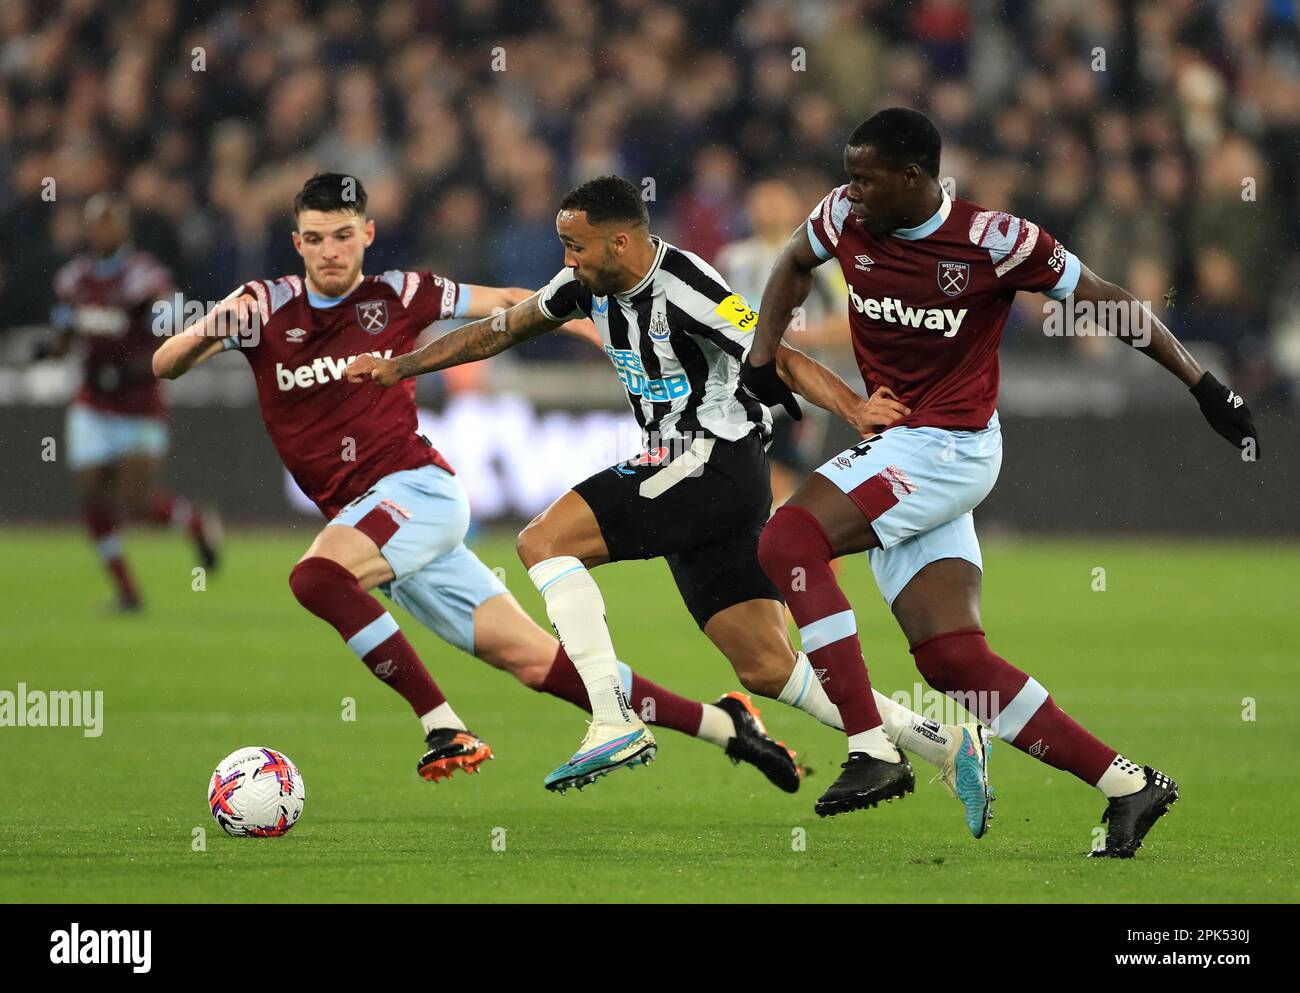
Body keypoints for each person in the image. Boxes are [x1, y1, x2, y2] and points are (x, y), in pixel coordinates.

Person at [347, 175, 996, 838]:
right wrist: (403, 367)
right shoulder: (584, 286)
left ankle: (612, 718)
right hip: (694, 475)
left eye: (576, 245)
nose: (568, 259)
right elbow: (500, 329)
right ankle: (943, 742)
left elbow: (781, 357)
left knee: (543, 542)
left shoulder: (687, 286)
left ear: (620, 241)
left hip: (710, 458)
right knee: (767, 666)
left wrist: (854, 407)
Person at [152, 172, 802, 791]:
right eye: (315, 238)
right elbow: (167, 362)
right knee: (539, 663)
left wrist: (587, 326)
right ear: (296, 243)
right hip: (371, 521)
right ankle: (728, 725)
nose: (330, 251)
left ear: (368, 235)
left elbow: (503, 304)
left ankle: (444, 728)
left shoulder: (398, 295)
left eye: (343, 235)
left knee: (317, 577)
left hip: (414, 492)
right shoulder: (264, 308)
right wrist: (211, 329)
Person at [740, 108, 1259, 857]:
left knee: (788, 536)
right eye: (847, 175)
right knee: (951, 658)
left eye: (865, 178)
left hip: (947, 447)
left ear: (914, 179)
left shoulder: (995, 241)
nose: (849, 193)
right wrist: (762, 359)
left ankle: (873, 748)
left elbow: (1105, 297)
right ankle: (1129, 784)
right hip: (901, 446)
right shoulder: (842, 217)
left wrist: (1205, 385)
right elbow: (792, 262)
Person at [45, 194, 220, 612]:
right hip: (93, 402)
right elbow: (66, 332)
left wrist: (134, 369)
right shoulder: (73, 279)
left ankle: (194, 523)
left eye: (110, 222)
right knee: (91, 493)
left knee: (137, 501)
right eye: (96, 223)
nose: (102, 230)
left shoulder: (147, 278)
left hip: (140, 402)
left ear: (124, 229)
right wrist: (51, 348)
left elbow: (174, 333)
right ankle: (127, 592)